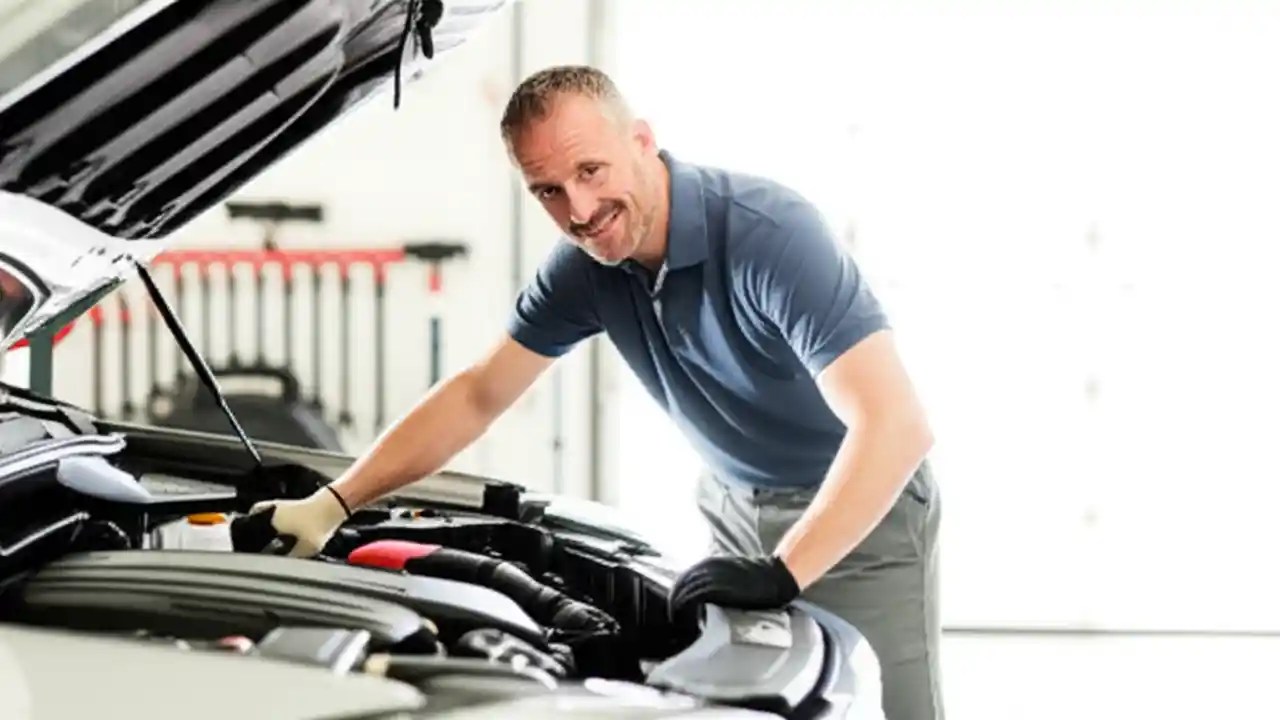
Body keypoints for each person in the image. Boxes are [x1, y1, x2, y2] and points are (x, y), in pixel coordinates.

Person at [245, 65, 943, 720]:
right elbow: (479, 394)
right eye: (548, 190)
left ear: (642, 140)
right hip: (734, 503)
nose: (578, 209)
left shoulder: (770, 236)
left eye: (590, 170)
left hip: (864, 511)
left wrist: (786, 570)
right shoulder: (585, 270)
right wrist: (332, 503)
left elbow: (895, 425)